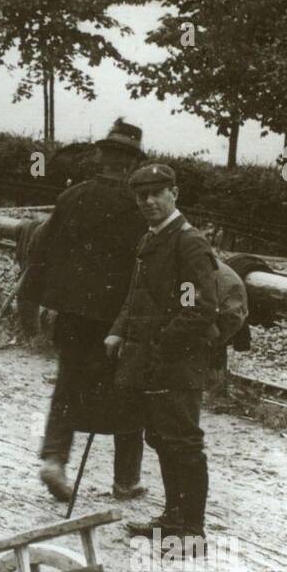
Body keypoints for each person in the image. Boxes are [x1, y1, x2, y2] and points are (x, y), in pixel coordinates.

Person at [20, 118, 149, 503]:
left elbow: (40, 254)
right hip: (118, 319)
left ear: (102, 157)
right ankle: (126, 480)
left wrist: (34, 305)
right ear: (131, 164)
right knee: (130, 391)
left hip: (71, 315)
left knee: (68, 385)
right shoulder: (141, 208)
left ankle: (55, 459)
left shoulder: (71, 197)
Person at [104, 163, 220, 548]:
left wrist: (161, 343)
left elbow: (199, 308)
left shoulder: (188, 243)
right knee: (161, 437)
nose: (149, 201)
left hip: (177, 360)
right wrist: (119, 330)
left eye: (158, 193)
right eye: (142, 195)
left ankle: (191, 531)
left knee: (183, 441)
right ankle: (174, 518)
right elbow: (137, 294)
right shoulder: (152, 238)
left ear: (175, 194)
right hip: (151, 360)